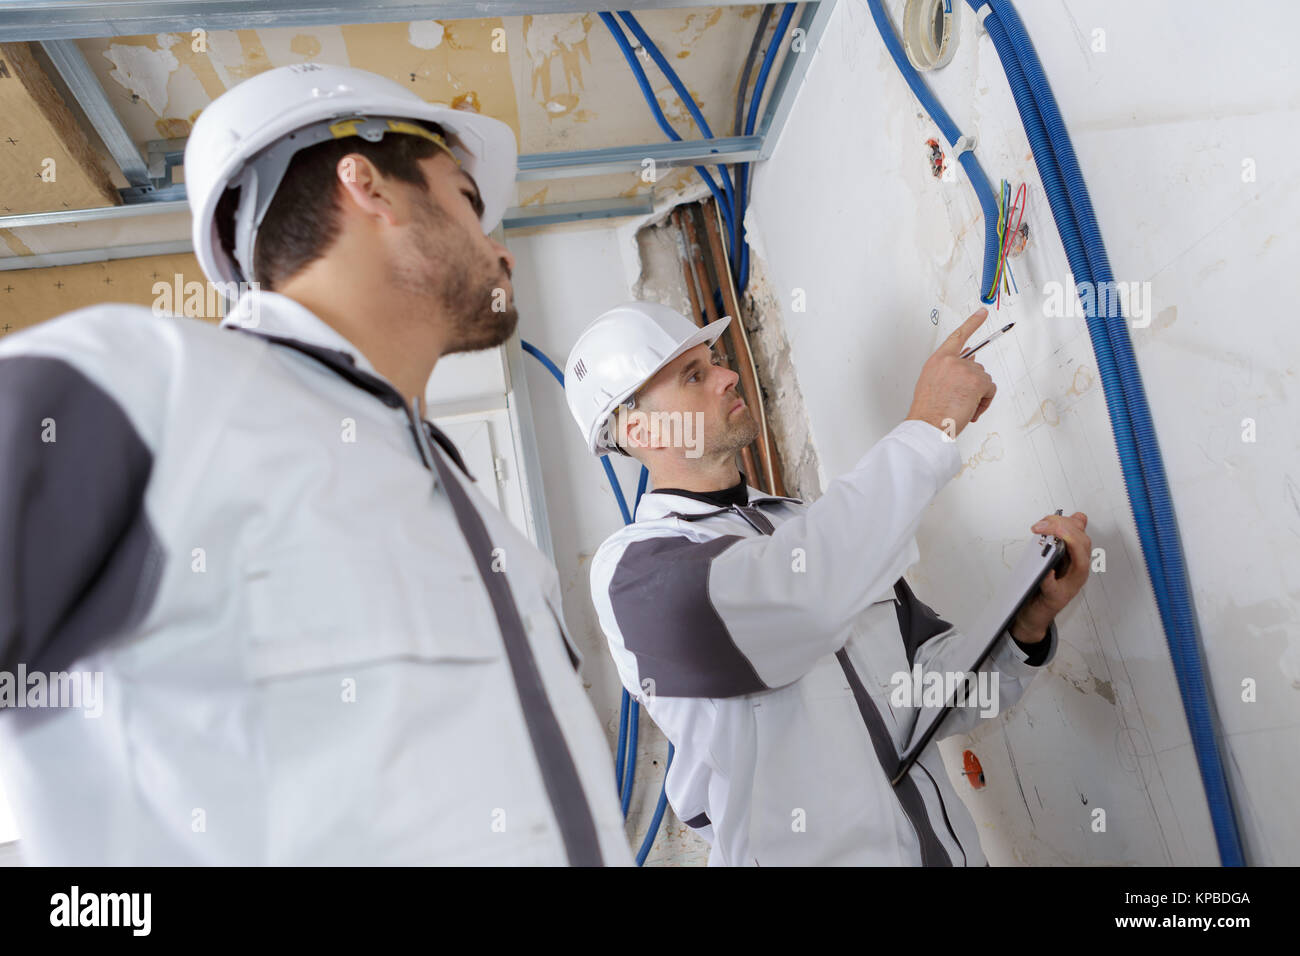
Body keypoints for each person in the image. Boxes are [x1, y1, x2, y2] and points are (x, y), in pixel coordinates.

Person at [0, 63, 630, 866]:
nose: (499, 252)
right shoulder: (149, 385)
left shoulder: (476, 518)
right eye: (468, 202)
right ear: (368, 185)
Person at [565, 301, 1091, 865]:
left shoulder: (803, 524)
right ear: (638, 428)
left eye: (713, 359)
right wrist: (928, 426)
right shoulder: (635, 574)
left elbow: (926, 695)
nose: (728, 375)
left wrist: (1024, 628)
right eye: (694, 375)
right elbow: (803, 600)